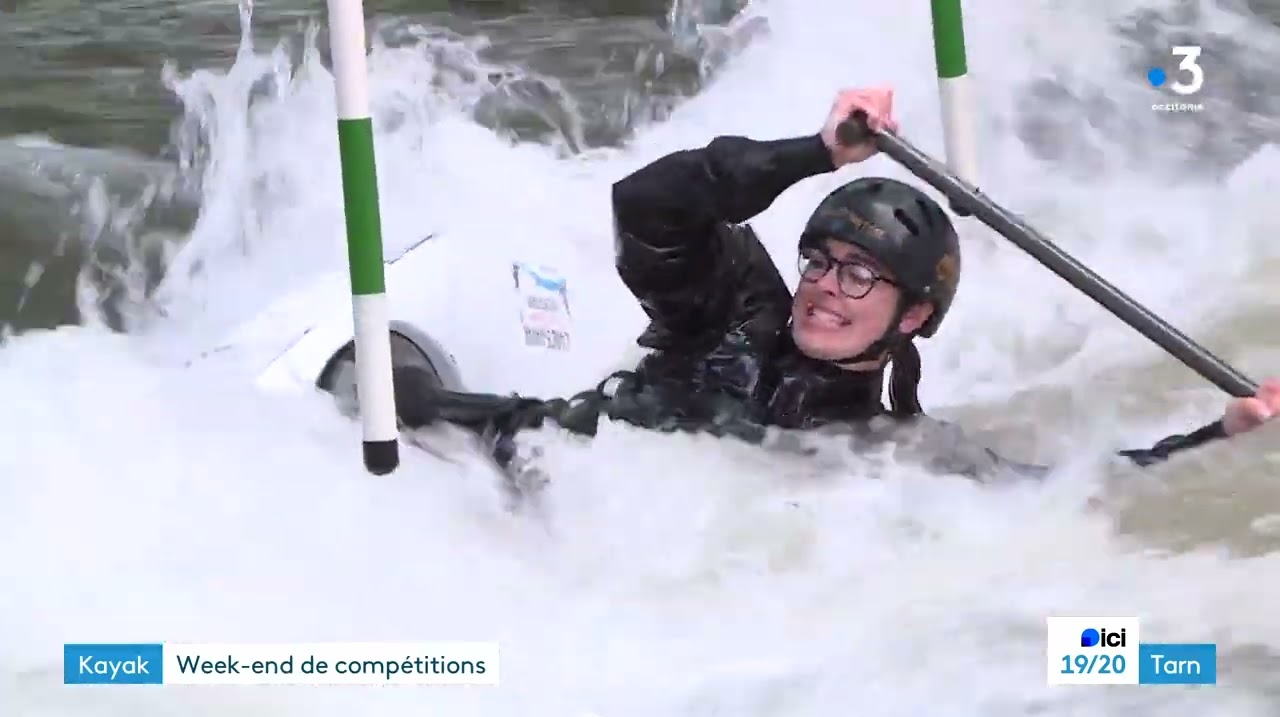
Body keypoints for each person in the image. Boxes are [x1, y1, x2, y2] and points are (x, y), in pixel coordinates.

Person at [391, 87, 1280, 483]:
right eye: (821, 260)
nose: (825, 286)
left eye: (862, 274)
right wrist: (817, 154)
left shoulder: (907, 454)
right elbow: (651, 206)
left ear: (916, 315)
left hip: (653, 583)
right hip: (542, 461)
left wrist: (1218, 432)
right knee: (398, 396)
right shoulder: (735, 316)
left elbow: (1076, 486)